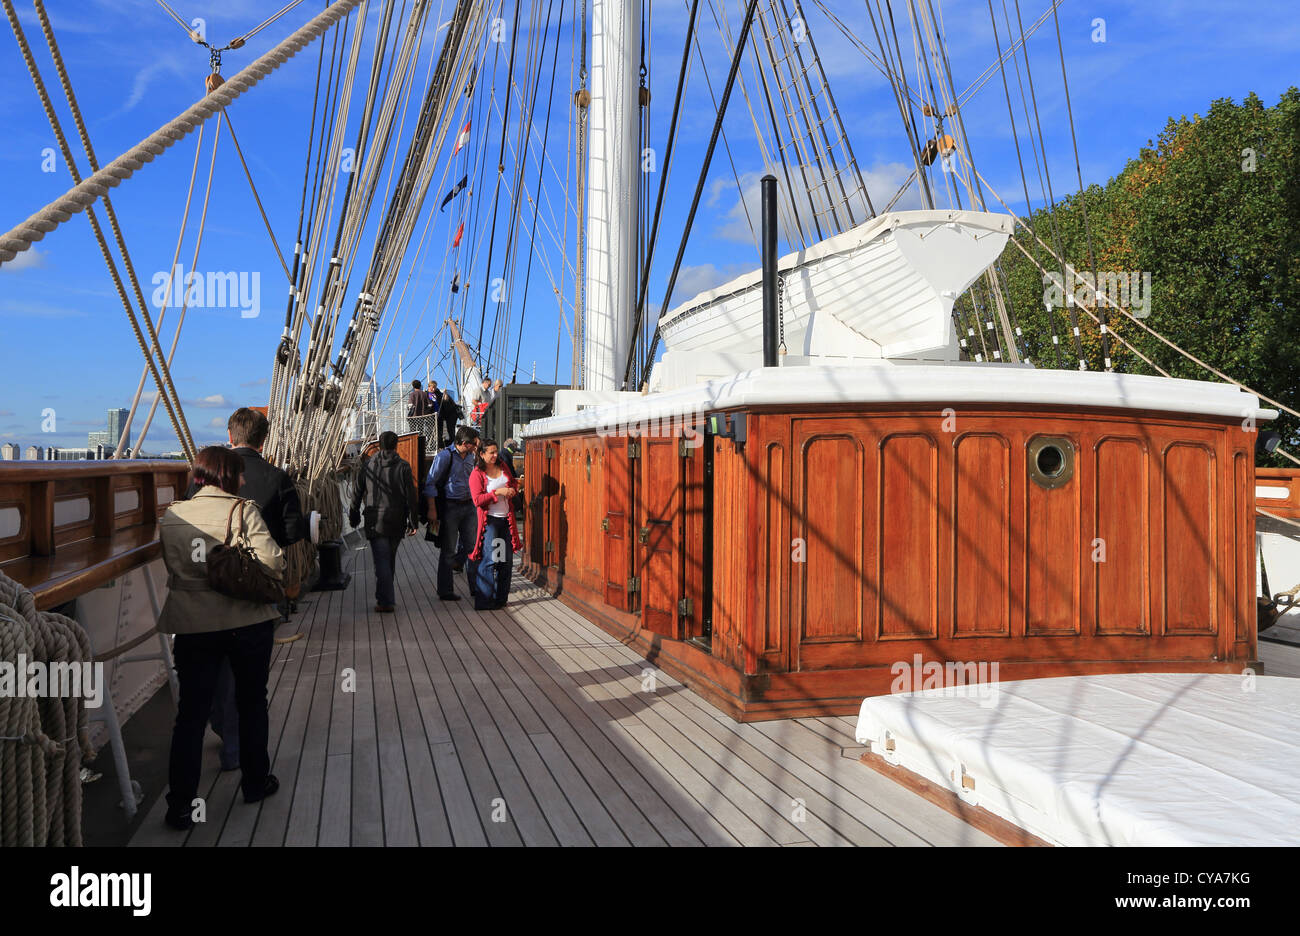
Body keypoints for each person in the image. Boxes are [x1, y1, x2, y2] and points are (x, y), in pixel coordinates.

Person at [158, 445, 284, 830]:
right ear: (228, 477)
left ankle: (180, 805)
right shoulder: (241, 511)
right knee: (251, 703)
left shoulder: (172, 515)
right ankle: (254, 782)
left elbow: (172, 562)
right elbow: (274, 561)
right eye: (239, 474)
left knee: (191, 716)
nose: (244, 479)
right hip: (246, 622)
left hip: (194, 626)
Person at [207, 408, 304, 772]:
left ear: (230, 437)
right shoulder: (278, 478)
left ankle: (223, 730)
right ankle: (240, 752)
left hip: (213, 585)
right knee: (249, 678)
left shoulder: (204, 478)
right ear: (263, 441)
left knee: (218, 666)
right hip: (257, 588)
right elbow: (293, 532)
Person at [349, 431, 420, 612]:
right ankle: (385, 598)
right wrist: (413, 521)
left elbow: (357, 492)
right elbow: (411, 496)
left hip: (375, 520)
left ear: (379, 446)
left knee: (381, 560)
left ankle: (385, 601)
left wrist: (354, 514)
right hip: (397, 520)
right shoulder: (404, 466)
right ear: (396, 445)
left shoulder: (368, 466)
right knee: (389, 560)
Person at [425, 425, 480, 600]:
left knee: (472, 548)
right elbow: (430, 483)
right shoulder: (444, 457)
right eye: (474, 443)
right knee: (448, 550)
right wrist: (432, 510)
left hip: (469, 506)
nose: (476, 446)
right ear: (464, 443)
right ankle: (445, 590)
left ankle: (477, 588)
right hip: (450, 507)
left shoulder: (471, 457)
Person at [469, 439, 523, 610]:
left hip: (506, 520)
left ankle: (501, 599)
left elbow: (513, 483)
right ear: (482, 454)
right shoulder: (476, 474)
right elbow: (477, 500)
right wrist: (497, 492)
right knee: (490, 560)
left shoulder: (503, 466)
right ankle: (484, 601)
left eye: (496, 451)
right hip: (490, 521)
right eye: (491, 452)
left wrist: (512, 490)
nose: (494, 455)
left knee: (506, 561)